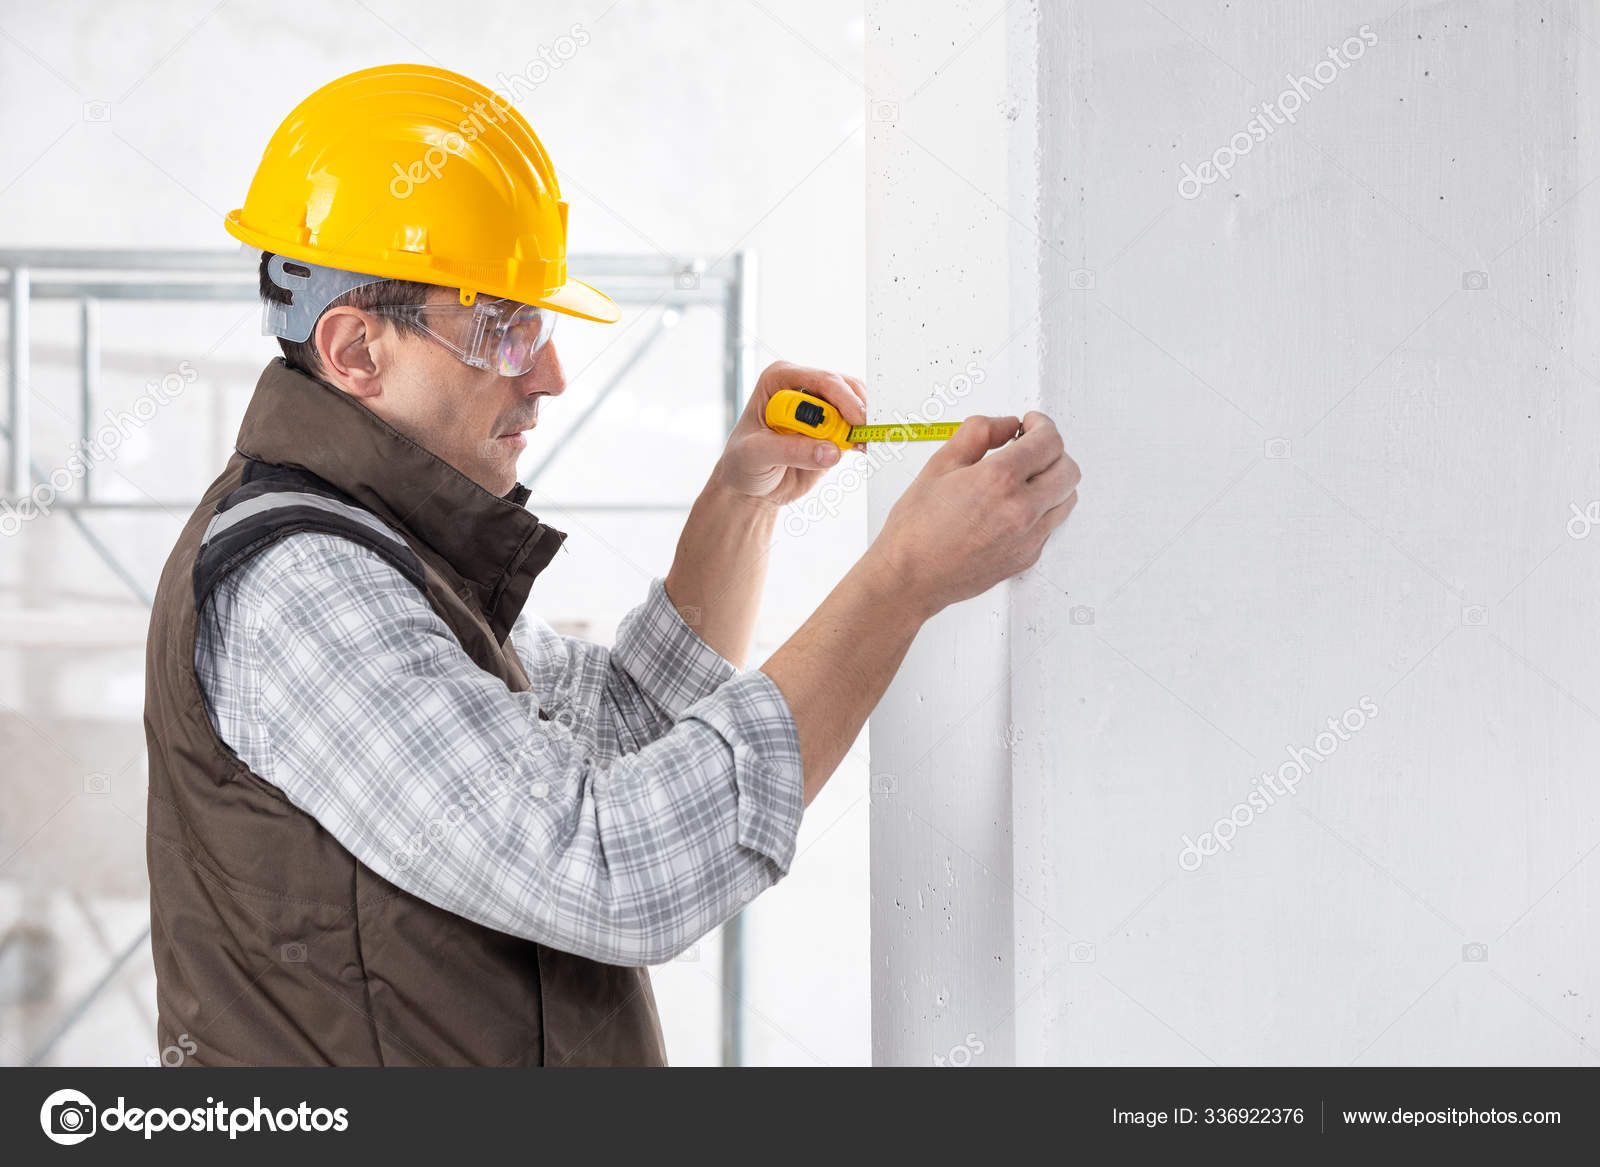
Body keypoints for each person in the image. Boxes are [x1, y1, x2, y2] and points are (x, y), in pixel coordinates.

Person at [143, 63, 1080, 1066]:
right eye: (503, 328)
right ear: (357, 351)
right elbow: (609, 867)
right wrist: (903, 580)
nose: (546, 374)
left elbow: (624, 732)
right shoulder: (303, 593)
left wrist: (742, 504)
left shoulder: (388, 550)